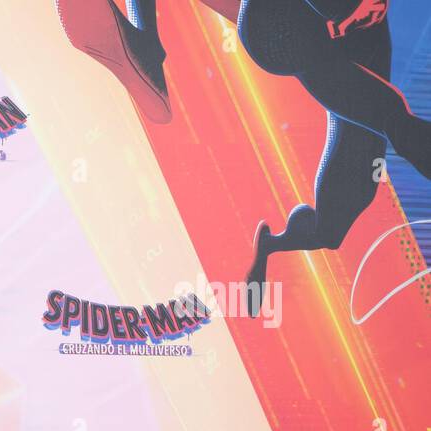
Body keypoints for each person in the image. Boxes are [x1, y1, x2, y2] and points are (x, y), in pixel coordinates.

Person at [58, 0, 431, 316]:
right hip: (291, 30)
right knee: (391, 117)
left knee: (333, 226)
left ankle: (272, 243)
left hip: (343, 42)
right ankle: (146, 44)